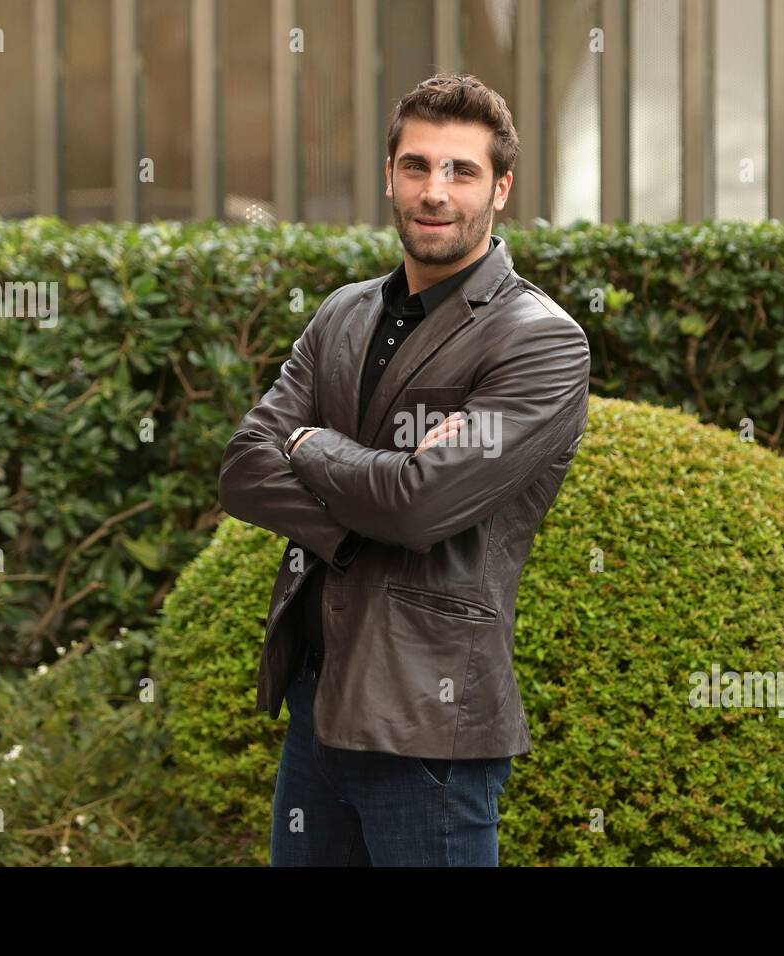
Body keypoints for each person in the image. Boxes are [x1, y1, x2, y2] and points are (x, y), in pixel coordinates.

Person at [218, 72, 590, 866]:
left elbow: (421, 507)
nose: (435, 192)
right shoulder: (342, 314)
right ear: (390, 174)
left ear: (501, 188)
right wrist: (361, 517)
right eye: (417, 167)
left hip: (430, 723)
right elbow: (245, 466)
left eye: (461, 171)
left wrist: (310, 444)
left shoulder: (539, 341)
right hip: (316, 707)